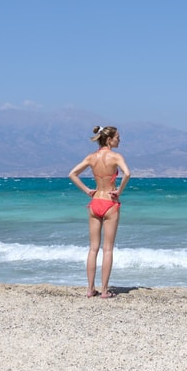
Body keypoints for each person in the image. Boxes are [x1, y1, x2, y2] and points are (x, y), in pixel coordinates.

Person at [68, 125, 130, 298]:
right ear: (109, 139)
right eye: (117, 137)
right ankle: (104, 290)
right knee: (108, 249)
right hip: (110, 203)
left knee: (93, 248)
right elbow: (127, 174)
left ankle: (89, 289)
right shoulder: (116, 156)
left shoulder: (91, 157)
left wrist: (87, 190)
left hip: (95, 202)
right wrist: (119, 191)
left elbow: (72, 174)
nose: (120, 140)